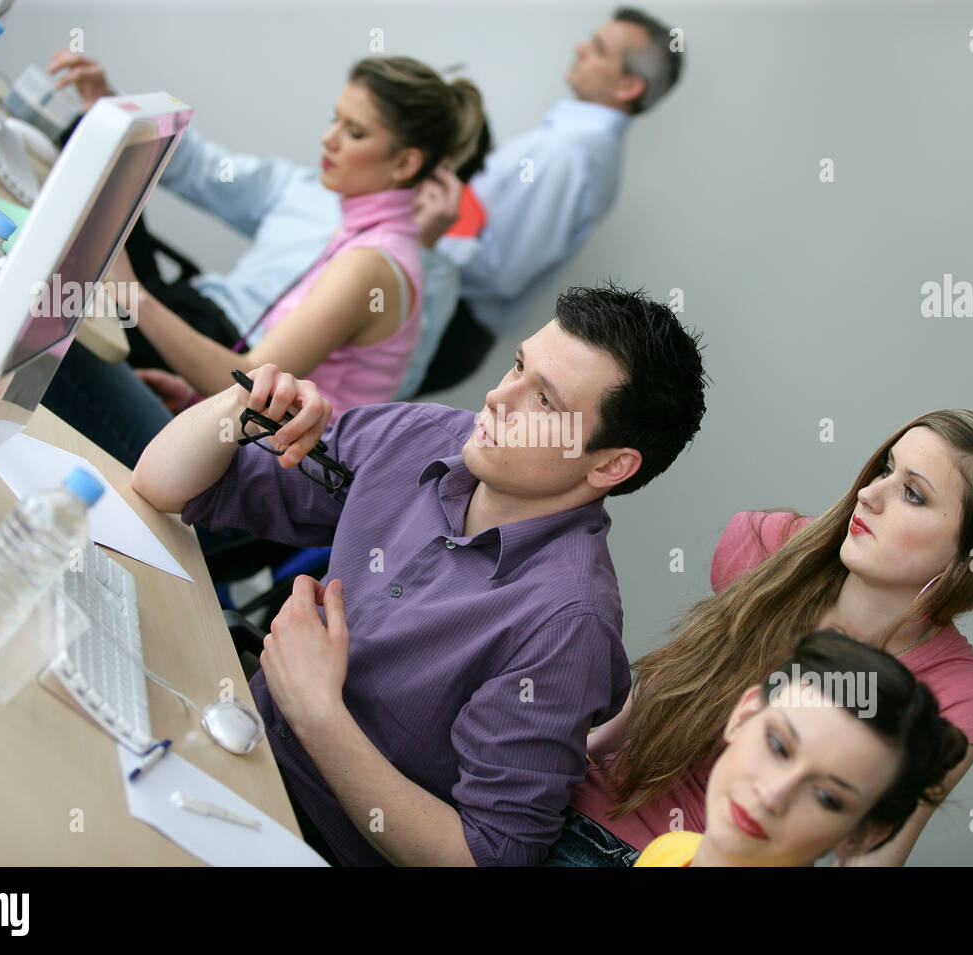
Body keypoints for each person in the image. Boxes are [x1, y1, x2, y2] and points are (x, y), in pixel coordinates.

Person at [128, 283, 708, 866]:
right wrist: (239, 407)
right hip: (231, 740)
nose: (498, 399)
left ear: (610, 464)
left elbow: (488, 857)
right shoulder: (427, 437)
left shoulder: (566, 624)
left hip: (306, 841)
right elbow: (165, 484)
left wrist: (316, 711)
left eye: (545, 402)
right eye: (516, 367)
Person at [551, 410, 973, 866]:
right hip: (575, 815)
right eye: (886, 469)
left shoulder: (956, 694)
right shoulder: (775, 548)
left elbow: (872, 856)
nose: (868, 494)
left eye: (913, 493)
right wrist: (565, 766)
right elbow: (668, 688)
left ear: (968, 559)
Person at [41, 56, 487, 470]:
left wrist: (133, 294)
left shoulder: (373, 264)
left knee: (52, 349)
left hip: (250, 470)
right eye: (336, 120)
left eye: (354, 132)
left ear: (405, 162)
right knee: (55, 330)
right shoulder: (367, 237)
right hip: (232, 429)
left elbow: (247, 387)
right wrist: (192, 393)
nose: (327, 138)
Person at [412, 6, 685, 395]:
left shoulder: (568, 156)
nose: (580, 49)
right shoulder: (573, 145)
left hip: (448, 320)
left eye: (598, 48)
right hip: (444, 313)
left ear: (627, 86)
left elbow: (500, 273)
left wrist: (417, 233)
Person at [633, 630, 969, 867]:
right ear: (744, 714)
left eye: (827, 797)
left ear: (864, 836)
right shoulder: (671, 851)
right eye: (778, 746)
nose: (773, 796)